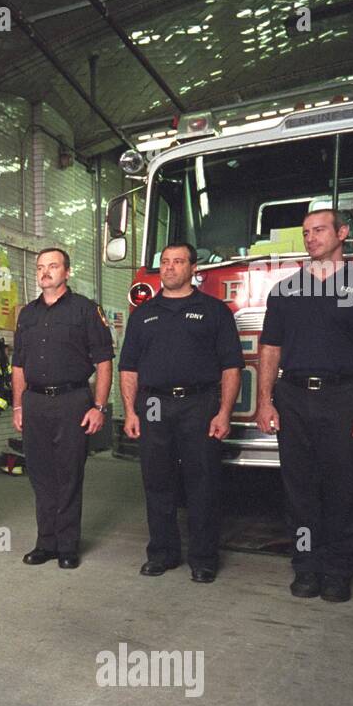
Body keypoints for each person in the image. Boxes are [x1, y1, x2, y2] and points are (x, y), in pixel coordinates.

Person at [256, 208, 353, 603]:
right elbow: (270, 350)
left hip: (345, 398)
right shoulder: (285, 290)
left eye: (319, 230)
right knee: (299, 491)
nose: (311, 238)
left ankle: (338, 571)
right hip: (294, 397)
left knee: (343, 490)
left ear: (342, 233)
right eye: (305, 233)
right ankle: (305, 568)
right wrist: (265, 401)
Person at [119, 243, 243, 583]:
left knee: (202, 482)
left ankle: (203, 558)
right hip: (154, 404)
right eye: (164, 262)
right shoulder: (144, 314)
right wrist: (130, 411)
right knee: (157, 481)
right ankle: (162, 552)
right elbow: (128, 368)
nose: (170, 268)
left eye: (178, 262)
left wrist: (224, 413)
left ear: (193, 269)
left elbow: (231, 367)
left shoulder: (215, 311)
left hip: (198, 404)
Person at [11, 247, 114, 569]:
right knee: (41, 476)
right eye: (41, 267)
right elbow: (18, 366)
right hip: (35, 402)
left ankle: (68, 545)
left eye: (52, 266)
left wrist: (99, 406)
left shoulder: (85, 310)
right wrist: (18, 406)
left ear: (67, 272)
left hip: (73, 401)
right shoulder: (27, 314)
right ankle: (46, 542)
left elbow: (104, 362)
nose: (45, 272)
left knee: (69, 474)